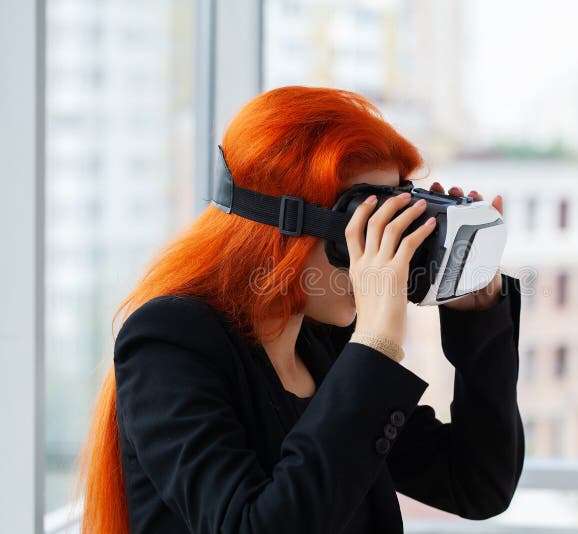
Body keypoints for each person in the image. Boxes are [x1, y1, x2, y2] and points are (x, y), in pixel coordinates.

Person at [79, 86, 525, 534]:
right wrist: (376, 344)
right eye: (366, 228)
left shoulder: (325, 344)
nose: (380, 255)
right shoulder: (168, 345)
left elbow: (476, 485)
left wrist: (478, 314)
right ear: (282, 227)